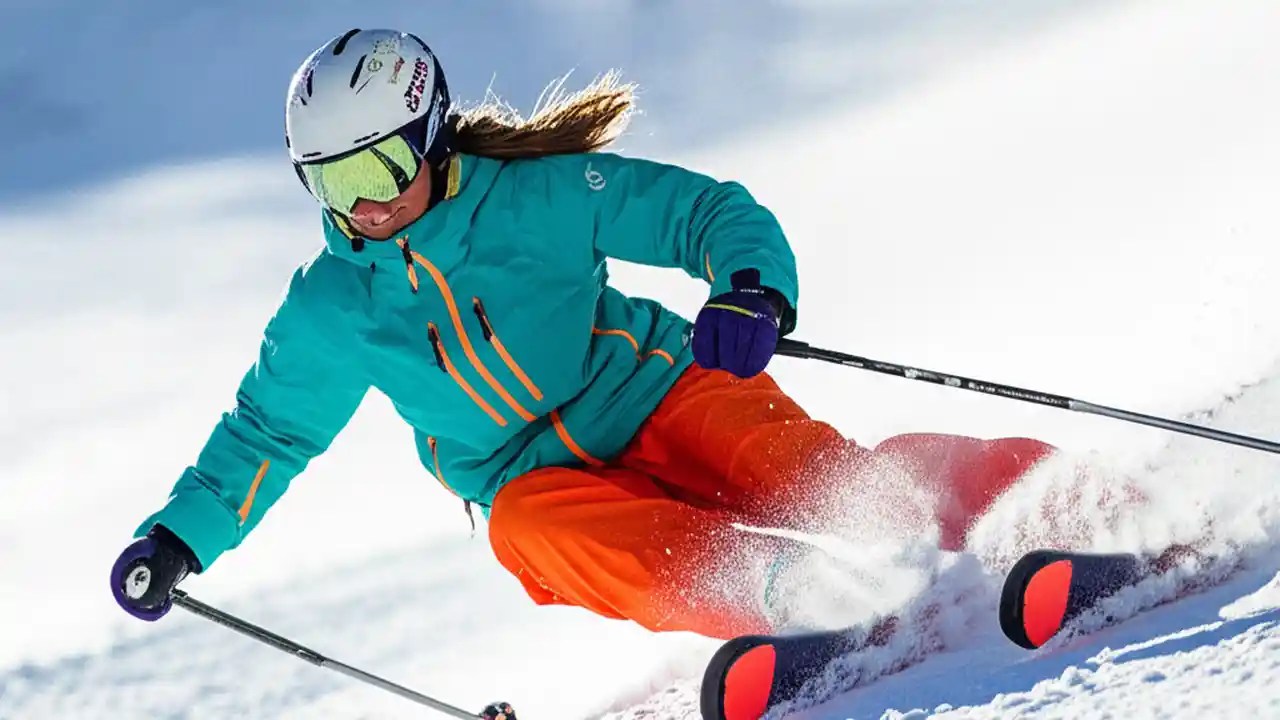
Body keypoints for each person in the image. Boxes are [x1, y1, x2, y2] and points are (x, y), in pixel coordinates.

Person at [110, 28, 1053, 640]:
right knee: (526, 530)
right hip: (537, 485)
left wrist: (749, 292)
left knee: (824, 484)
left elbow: (700, 212)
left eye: (380, 168)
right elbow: (267, 434)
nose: (365, 207)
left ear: (432, 139)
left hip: (658, 390)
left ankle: (1054, 500)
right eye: (330, 185)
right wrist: (178, 540)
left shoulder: (539, 199)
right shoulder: (332, 306)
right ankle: (786, 596)